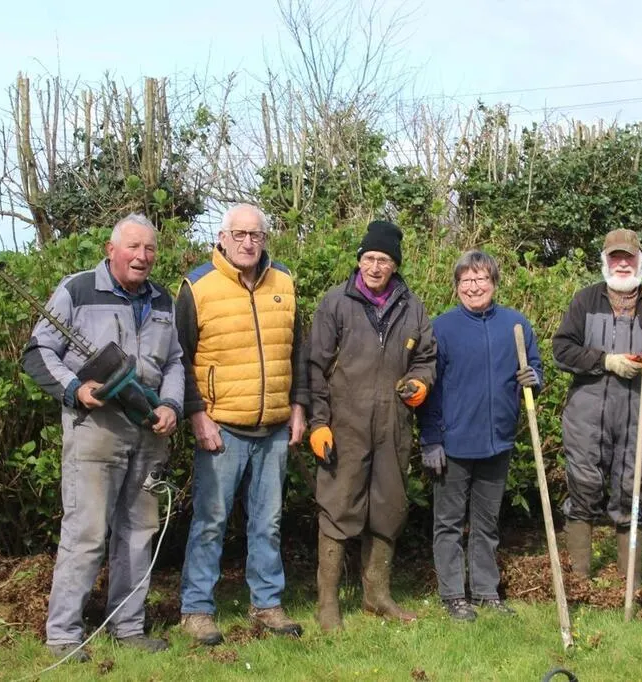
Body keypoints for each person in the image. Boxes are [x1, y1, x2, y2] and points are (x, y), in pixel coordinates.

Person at [22, 213, 184, 661]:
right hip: (95, 430)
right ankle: (63, 636)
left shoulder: (163, 300)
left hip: (149, 431)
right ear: (111, 250)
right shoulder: (77, 290)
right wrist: (76, 389)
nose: (142, 256)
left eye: (149, 248)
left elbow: (174, 362)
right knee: (87, 533)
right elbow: (38, 353)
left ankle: (128, 627)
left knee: (138, 533)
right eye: (133, 247)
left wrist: (170, 405)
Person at [176, 204, 308, 644]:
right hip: (221, 427)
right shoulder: (197, 287)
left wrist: (298, 406)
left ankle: (267, 604)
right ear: (221, 237)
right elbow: (180, 359)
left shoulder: (284, 283)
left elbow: (297, 352)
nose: (248, 242)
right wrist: (197, 415)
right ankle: (196, 609)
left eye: (256, 235)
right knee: (211, 521)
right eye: (239, 234)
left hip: (273, 425)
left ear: (265, 239)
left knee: (267, 522)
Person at [307, 219, 436, 632]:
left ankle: (376, 595)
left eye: (383, 260)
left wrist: (420, 382)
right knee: (338, 504)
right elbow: (314, 367)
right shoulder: (335, 303)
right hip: (344, 424)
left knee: (388, 506)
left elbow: (426, 358)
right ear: (359, 261)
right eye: (369, 259)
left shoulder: (412, 306)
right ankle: (327, 604)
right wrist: (318, 422)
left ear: (395, 265)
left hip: (393, 424)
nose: (375, 267)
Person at [552, 228, 642, 591]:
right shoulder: (586, 301)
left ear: (640, 260)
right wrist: (606, 361)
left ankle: (629, 581)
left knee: (631, 490)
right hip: (586, 413)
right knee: (583, 487)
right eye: (615, 257)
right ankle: (579, 577)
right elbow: (562, 350)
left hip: (634, 412)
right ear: (605, 261)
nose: (622, 263)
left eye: (629, 257)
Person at [418, 250, 543, 622]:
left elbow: (533, 367)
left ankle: (487, 591)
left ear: (494, 283)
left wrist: (534, 378)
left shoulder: (516, 325)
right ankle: (454, 595)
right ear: (457, 287)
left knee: (487, 522)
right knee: (449, 523)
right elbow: (429, 389)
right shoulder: (442, 328)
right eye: (466, 281)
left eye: (481, 279)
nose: (474, 287)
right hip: (453, 444)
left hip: (498, 442)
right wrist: (430, 440)